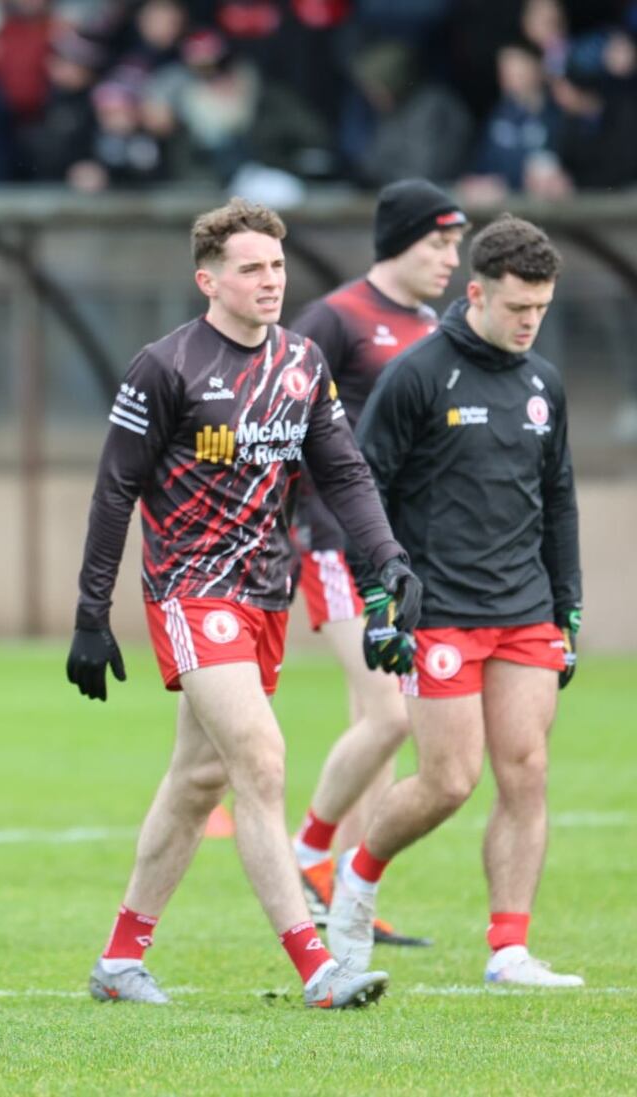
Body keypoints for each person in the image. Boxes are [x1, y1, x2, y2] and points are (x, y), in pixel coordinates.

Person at [67, 198, 417, 1010]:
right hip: (192, 590)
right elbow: (114, 491)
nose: (270, 281)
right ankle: (317, 966)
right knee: (259, 757)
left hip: (268, 593)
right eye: (252, 268)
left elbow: (344, 473)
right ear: (209, 279)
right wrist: (91, 614)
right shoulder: (166, 365)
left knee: (197, 779)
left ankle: (120, 960)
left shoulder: (300, 363)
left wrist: (389, 557)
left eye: (278, 267)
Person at [327, 215, 584, 988]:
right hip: (438, 610)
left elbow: (559, 500)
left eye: (540, 310)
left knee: (527, 770)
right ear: (475, 293)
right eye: (516, 308)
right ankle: (359, 875)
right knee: (449, 778)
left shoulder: (544, 382)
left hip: (527, 610)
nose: (528, 323)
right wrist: (379, 597)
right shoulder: (419, 374)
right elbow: (358, 488)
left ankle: (509, 948)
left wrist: (568, 608)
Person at [286, 179, 469, 948]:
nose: (451, 261)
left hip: (398, 553)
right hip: (332, 539)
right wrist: (287, 519)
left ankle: (353, 897)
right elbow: (278, 409)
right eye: (438, 244)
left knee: (380, 719)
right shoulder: (336, 315)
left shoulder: (431, 326)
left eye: (457, 246)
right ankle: (310, 852)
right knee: (393, 712)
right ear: (399, 240)